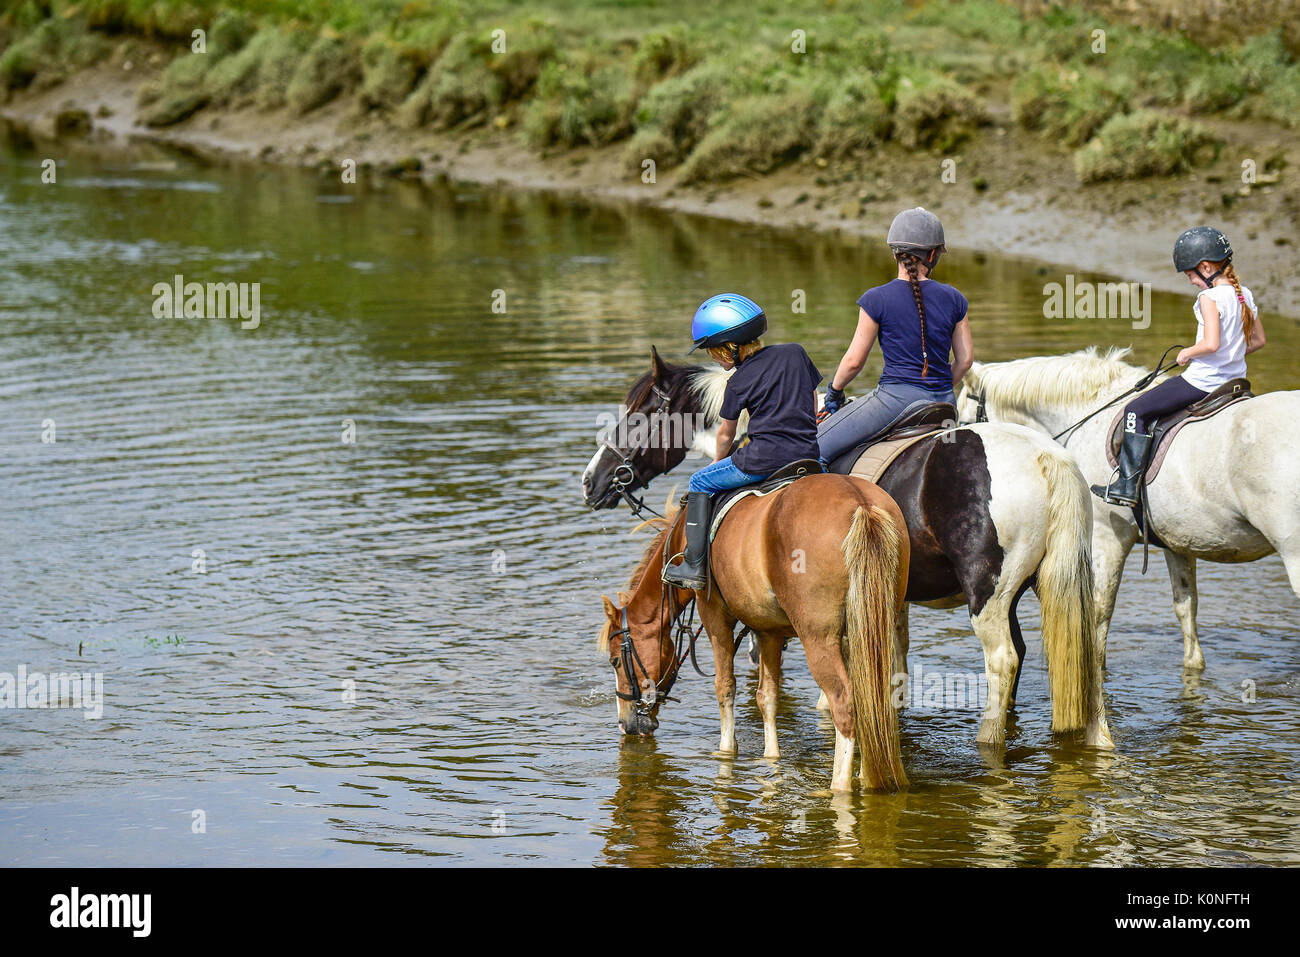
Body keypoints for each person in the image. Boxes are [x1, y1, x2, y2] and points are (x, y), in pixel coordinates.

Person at [1092, 226, 1266, 507]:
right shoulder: (1243, 294)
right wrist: (1231, 352)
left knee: (1135, 410)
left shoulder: (1209, 298)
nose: (1192, 282)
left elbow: (1210, 344)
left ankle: (1126, 485)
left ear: (1206, 267)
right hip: (1234, 381)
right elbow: (1258, 340)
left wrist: (1188, 352)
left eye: (1190, 275)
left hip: (1203, 382)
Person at [661, 293, 822, 591]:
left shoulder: (737, 381)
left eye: (713, 352)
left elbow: (726, 434)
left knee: (699, 482)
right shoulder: (795, 352)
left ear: (729, 348)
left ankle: (694, 566)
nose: (714, 358)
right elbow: (812, 401)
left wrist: (716, 462)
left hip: (762, 459)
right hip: (808, 453)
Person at [817, 207, 974, 463]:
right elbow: (965, 360)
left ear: (894, 254)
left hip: (895, 402)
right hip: (945, 404)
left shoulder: (876, 299)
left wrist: (835, 390)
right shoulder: (955, 298)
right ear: (933, 254)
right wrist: (941, 387)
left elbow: (854, 361)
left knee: (813, 451)